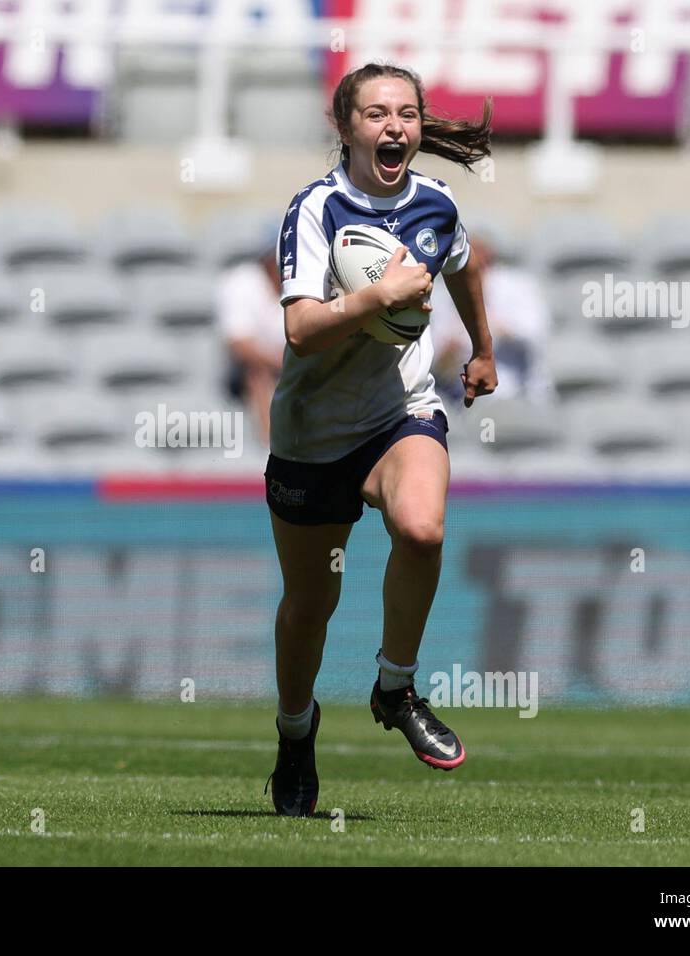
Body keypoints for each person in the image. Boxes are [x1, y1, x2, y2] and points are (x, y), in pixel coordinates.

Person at [265, 62, 498, 815]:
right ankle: (296, 734)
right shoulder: (315, 209)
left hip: (399, 411)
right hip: (312, 431)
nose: (394, 126)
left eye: (406, 112)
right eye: (375, 113)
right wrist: (377, 297)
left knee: (422, 529)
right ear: (346, 128)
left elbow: (461, 265)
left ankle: (396, 687)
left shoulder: (436, 202)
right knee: (310, 602)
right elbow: (300, 333)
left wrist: (483, 347)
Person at [427, 231, 555, 406]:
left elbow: (537, 334)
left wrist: (499, 327)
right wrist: (449, 350)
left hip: (519, 392)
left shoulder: (520, 287)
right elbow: (436, 362)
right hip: (462, 396)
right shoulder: (443, 298)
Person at [217, 235, 287, 446]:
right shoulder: (242, 282)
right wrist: (281, 362)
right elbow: (240, 346)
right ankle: (272, 445)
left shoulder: (301, 284)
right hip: (249, 372)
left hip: (289, 363)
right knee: (257, 373)